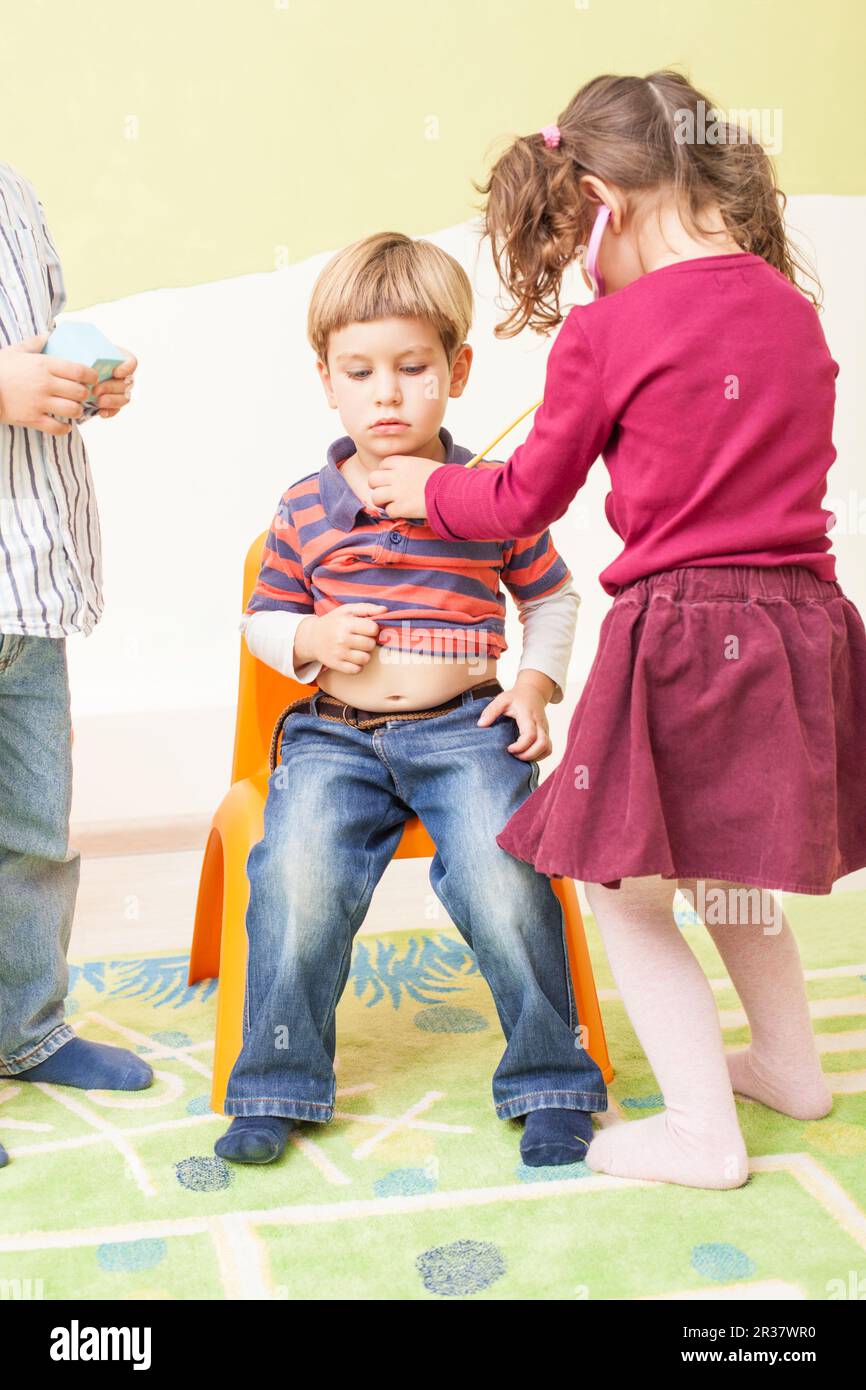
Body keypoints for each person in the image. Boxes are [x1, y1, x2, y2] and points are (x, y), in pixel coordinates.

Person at [366, 71, 866, 1189]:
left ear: (602, 199)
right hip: (802, 623)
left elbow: (517, 504)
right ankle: (788, 1064)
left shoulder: (606, 329)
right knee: (729, 871)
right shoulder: (789, 309)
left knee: (623, 888)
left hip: (683, 634)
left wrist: (425, 491)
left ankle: (699, 1133)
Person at [214, 231, 609, 1167]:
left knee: (503, 875)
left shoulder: (486, 496)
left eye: (411, 367)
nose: (386, 393)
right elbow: (263, 618)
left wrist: (534, 684)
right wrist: (307, 639)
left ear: (457, 369)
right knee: (296, 877)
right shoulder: (305, 506)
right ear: (328, 381)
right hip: (332, 738)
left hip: (463, 731)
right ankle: (276, 1083)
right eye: (361, 371)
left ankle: (551, 1078)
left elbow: (552, 595)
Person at [0, 161, 147, 1170]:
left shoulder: (14, 190)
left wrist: (80, 375)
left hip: (28, 582)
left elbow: (33, 343)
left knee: (35, 831)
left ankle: (26, 1023)